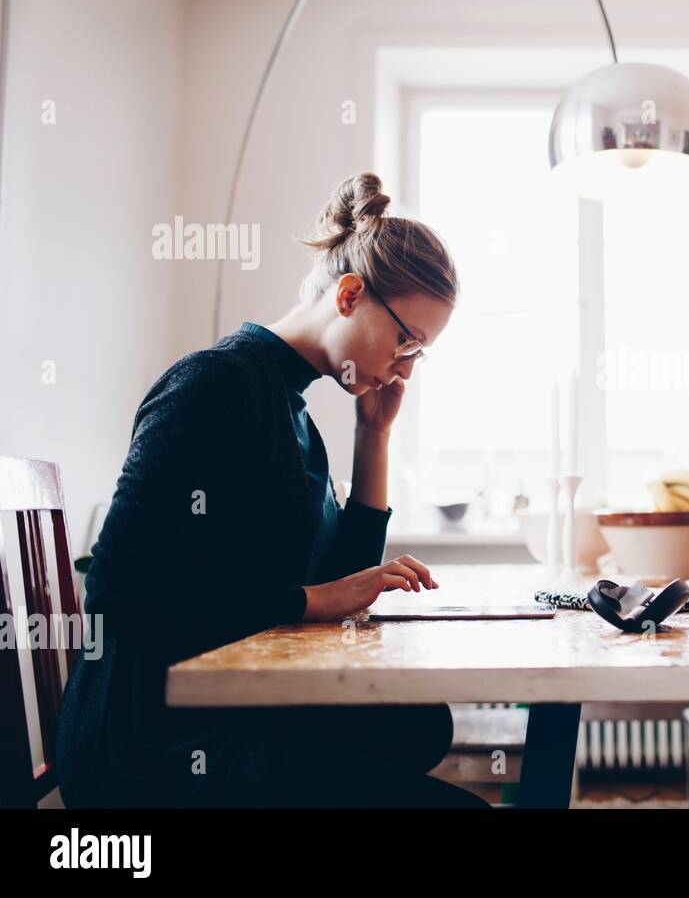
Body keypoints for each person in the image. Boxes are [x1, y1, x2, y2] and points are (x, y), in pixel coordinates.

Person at [56, 172, 487, 808]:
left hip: (218, 713)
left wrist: (375, 437)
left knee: (420, 725)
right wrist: (312, 599)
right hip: (150, 744)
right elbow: (119, 591)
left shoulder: (292, 408)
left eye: (419, 354)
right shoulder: (214, 386)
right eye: (406, 340)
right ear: (348, 295)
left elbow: (342, 580)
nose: (405, 368)